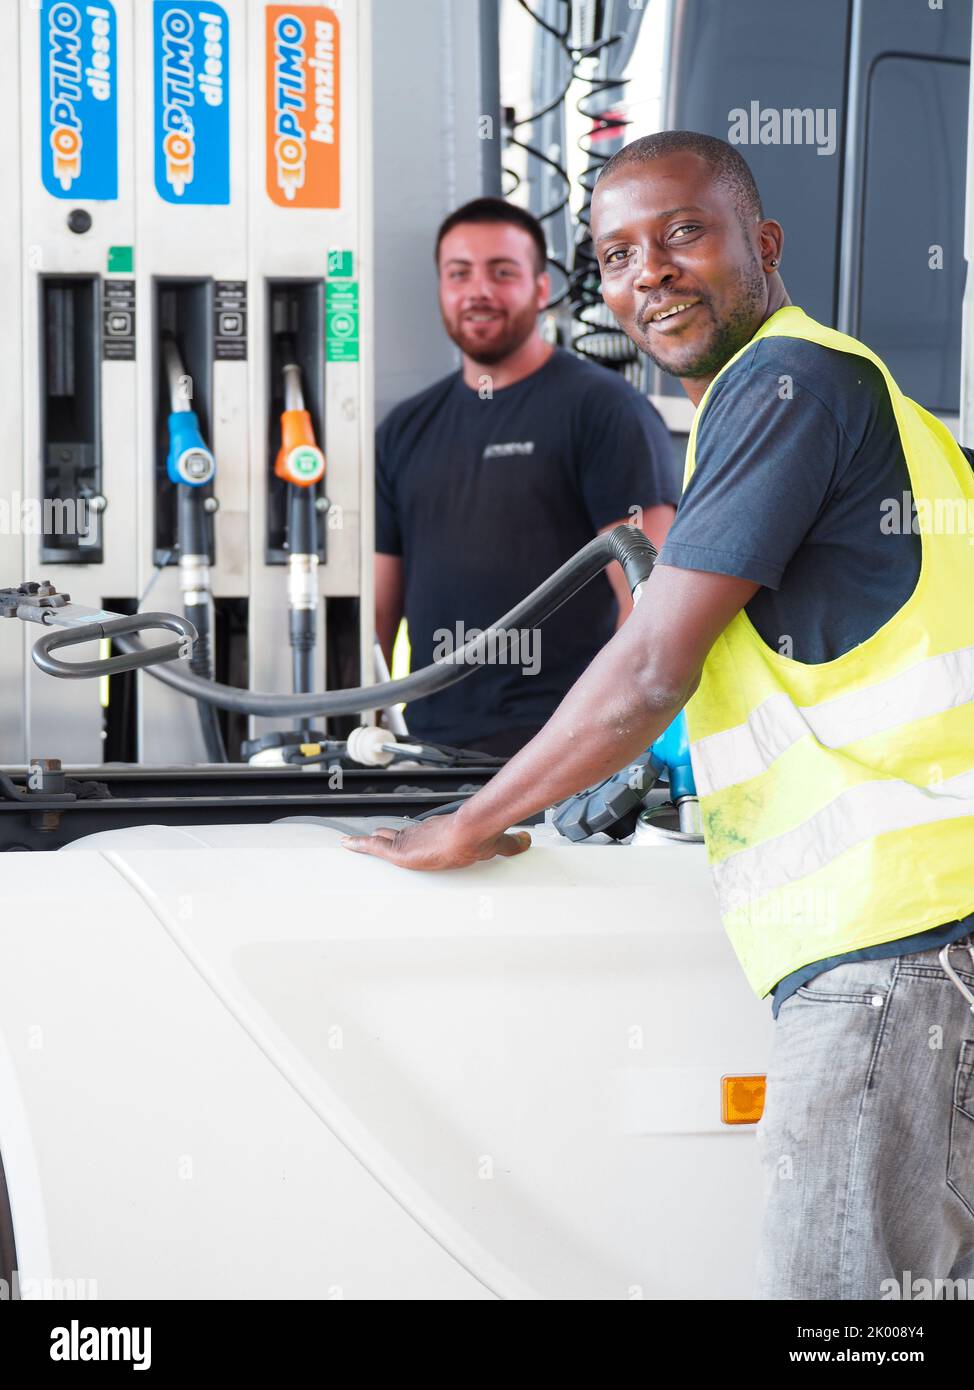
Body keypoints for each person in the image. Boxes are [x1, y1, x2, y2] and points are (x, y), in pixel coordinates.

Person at [346, 132, 974, 1299]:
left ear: (762, 243)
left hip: (895, 940)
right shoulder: (867, 393)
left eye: (683, 233)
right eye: (618, 253)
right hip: (932, 931)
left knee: (841, 1308)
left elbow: (647, 669)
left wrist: (471, 820)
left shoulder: (784, 384)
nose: (651, 273)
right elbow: (832, 648)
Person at [374, 196, 678, 757]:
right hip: (426, 754)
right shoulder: (403, 430)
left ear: (542, 289)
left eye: (502, 272)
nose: (478, 291)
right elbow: (372, 619)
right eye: (458, 273)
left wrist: (600, 750)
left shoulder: (603, 410)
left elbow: (652, 602)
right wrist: (363, 737)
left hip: (558, 761)